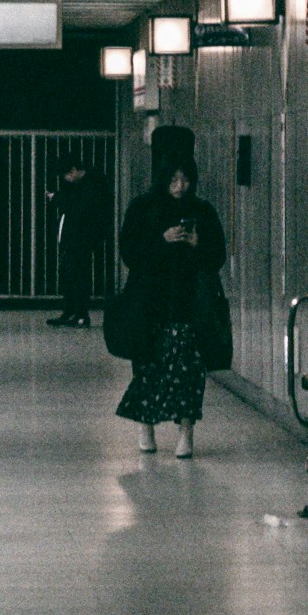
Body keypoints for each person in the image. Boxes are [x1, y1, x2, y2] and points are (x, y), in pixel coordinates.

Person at [109, 155, 231, 456]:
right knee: (149, 365)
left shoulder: (202, 211)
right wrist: (160, 239)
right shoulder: (143, 208)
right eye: (174, 180)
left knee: (189, 368)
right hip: (150, 302)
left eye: (186, 180)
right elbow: (129, 253)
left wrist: (196, 244)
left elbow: (217, 257)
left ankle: (186, 431)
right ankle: (146, 426)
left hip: (188, 302)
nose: (180, 186)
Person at [45, 158, 107, 325]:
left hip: (80, 239)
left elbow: (77, 208)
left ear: (72, 170)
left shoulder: (90, 184)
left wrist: (57, 198)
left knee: (78, 277)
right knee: (70, 276)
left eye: (66, 175)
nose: (66, 179)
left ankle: (79, 314)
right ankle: (72, 311)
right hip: (77, 239)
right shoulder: (86, 184)